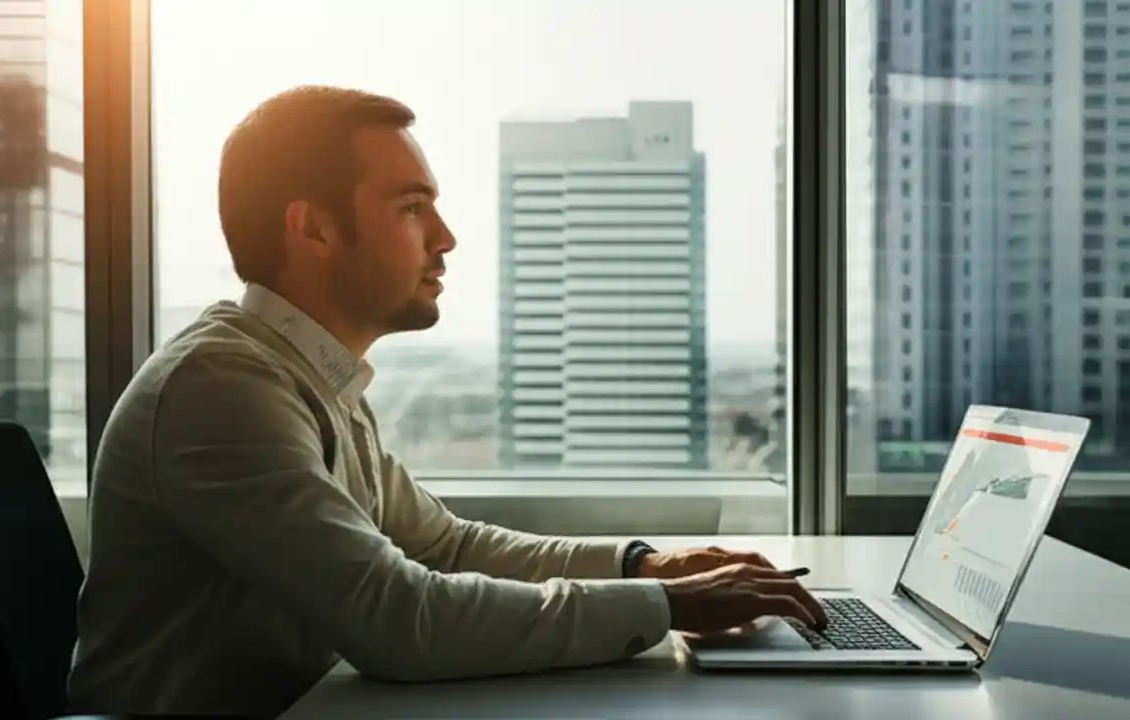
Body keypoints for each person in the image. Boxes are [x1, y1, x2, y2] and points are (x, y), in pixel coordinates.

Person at [67, 85, 826, 717]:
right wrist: (670, 605)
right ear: (314, 227)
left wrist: (647, 564)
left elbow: (443, 547)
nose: (446, 237)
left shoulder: (307, 378)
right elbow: (401, 620)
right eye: (410, 207)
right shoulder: (222, 392)